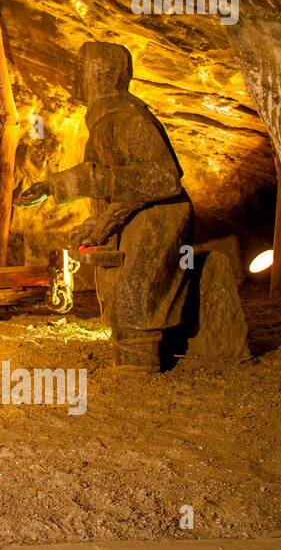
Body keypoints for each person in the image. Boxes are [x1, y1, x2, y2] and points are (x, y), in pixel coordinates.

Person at [17, 41, 192, 373]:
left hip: (158, 219)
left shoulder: (129, 118)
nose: (75, 77)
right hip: (134, 218)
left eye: (80, 69)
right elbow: (98, 174)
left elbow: (165, 178)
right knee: (119, 298)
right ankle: (135, 358)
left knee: (134, 301)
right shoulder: (105, 120)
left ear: (102, 75)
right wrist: (51, 187)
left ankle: (140, 367)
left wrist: (110, 215)